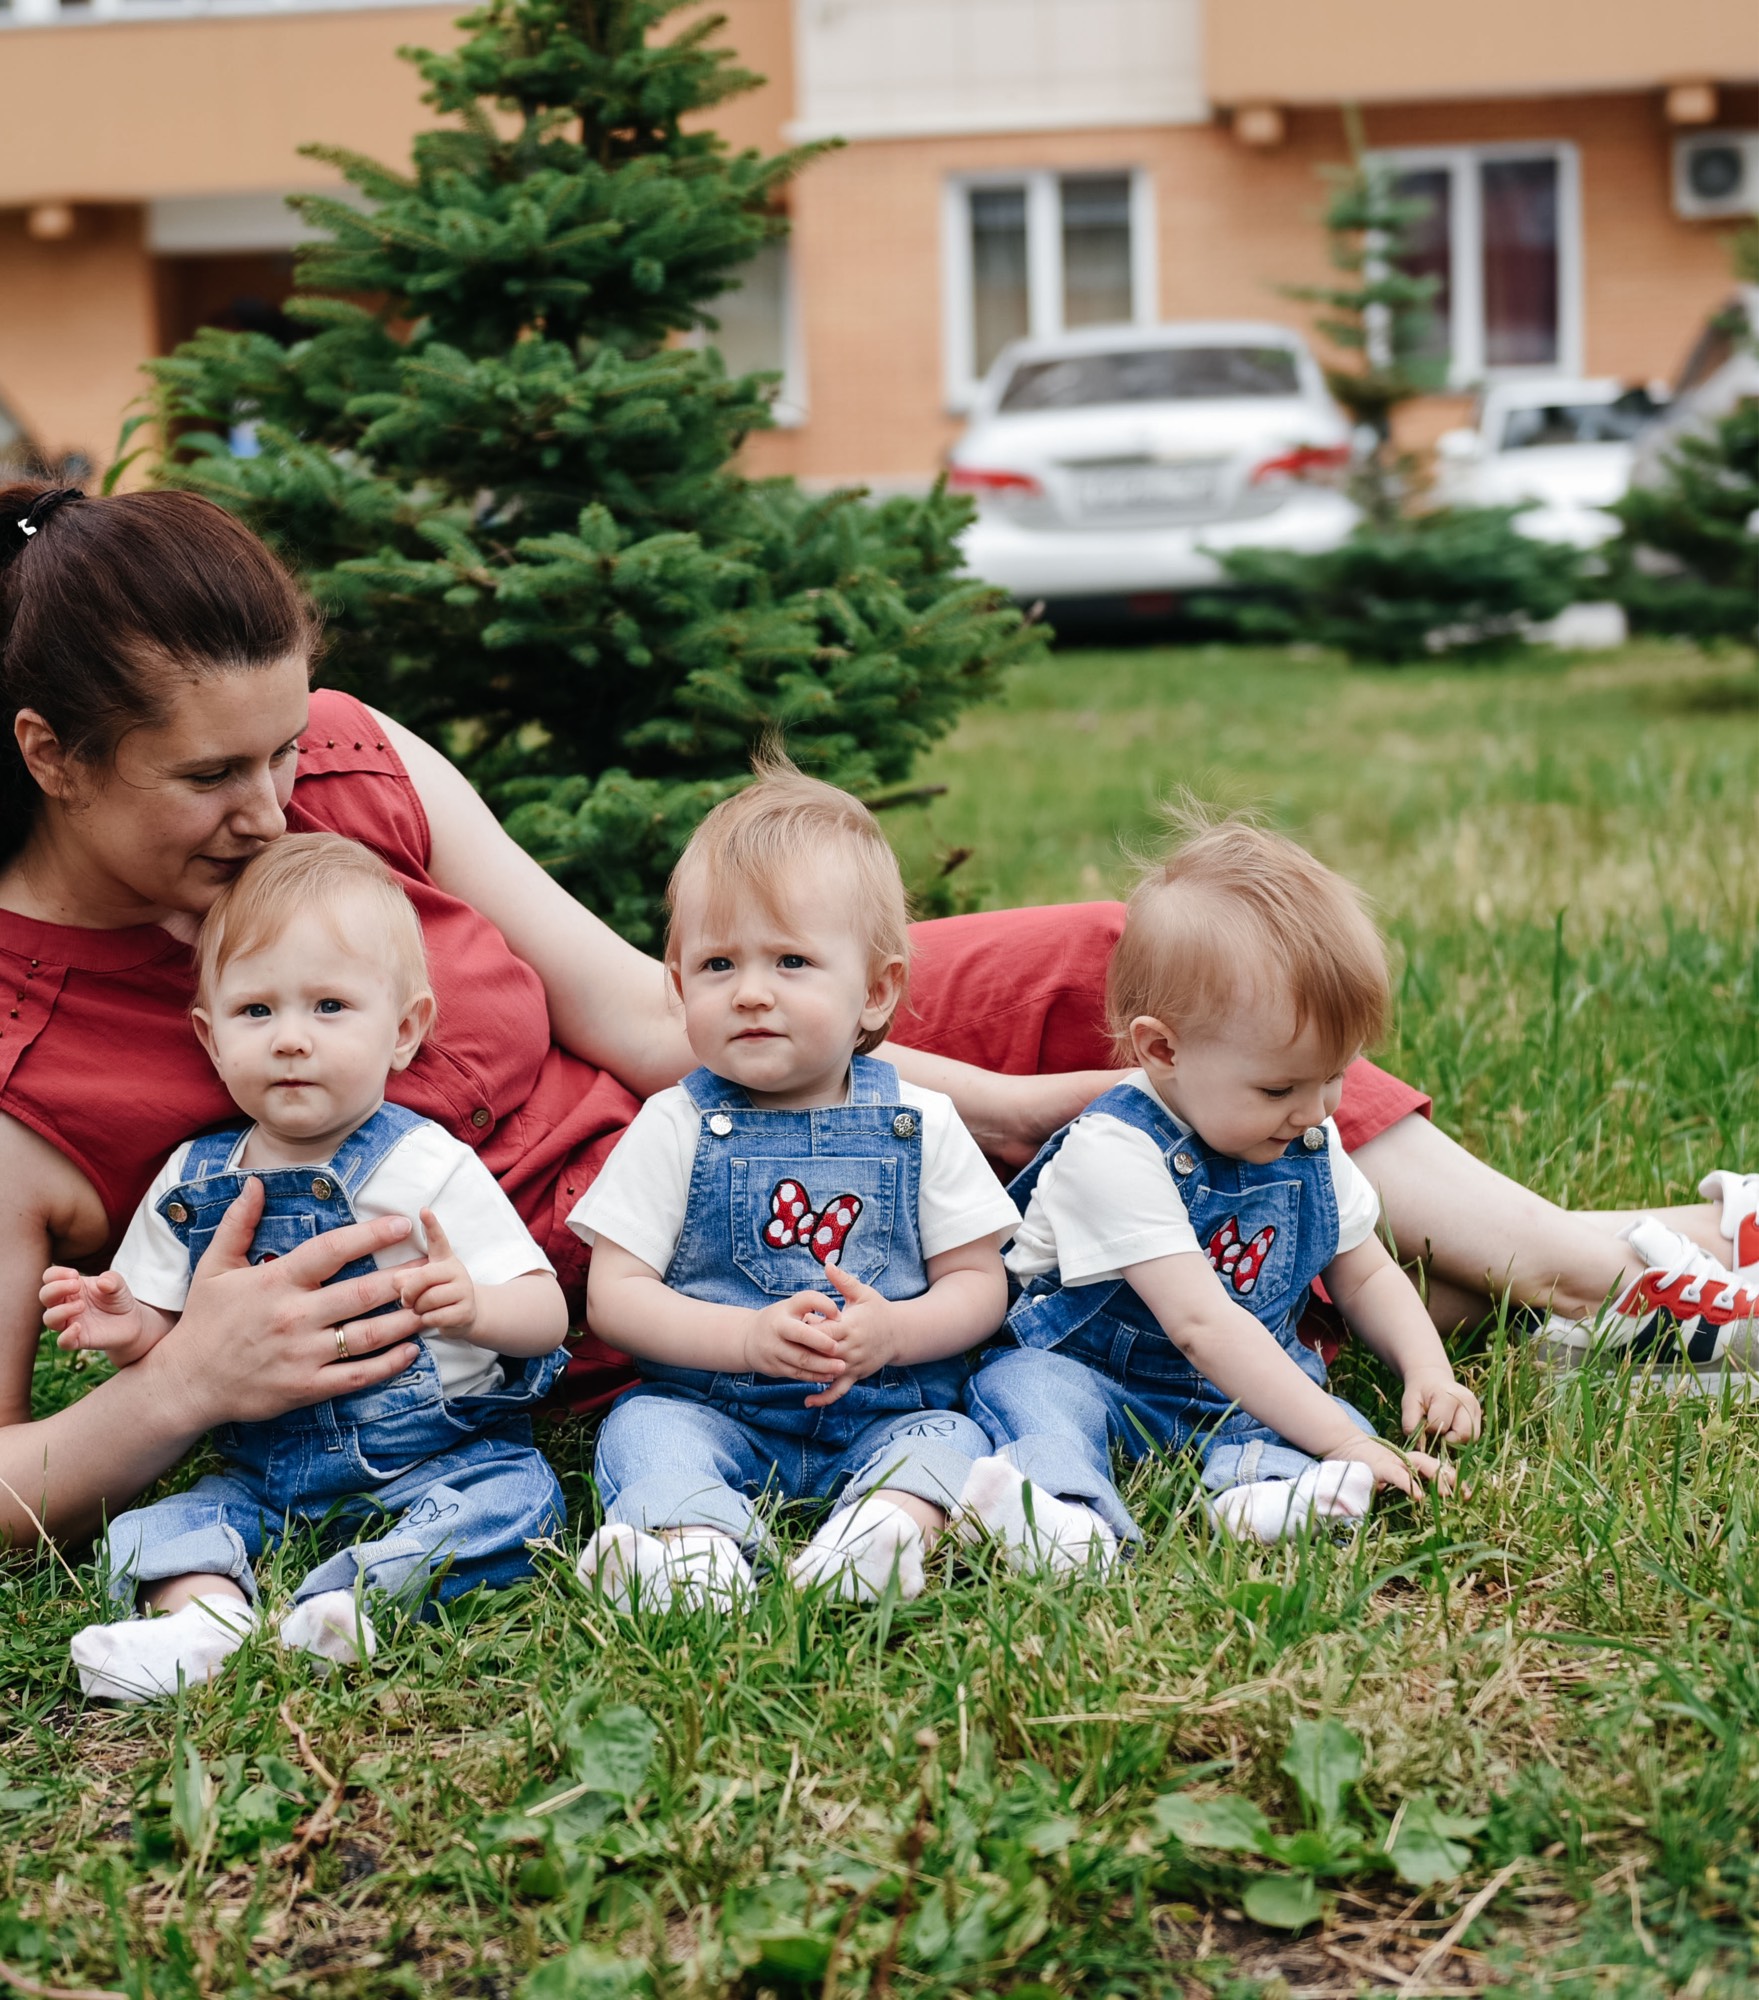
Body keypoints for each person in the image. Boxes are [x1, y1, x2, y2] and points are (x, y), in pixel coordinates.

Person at [0, 480, 1750, 1556]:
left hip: (770, 1064)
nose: (277, 803)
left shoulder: (362, 766)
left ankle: (1600, 1271)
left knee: (1120, 962)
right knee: (1317, 1276)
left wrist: (938, 1084)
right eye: (209, 775)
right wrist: (185, 1390)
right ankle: (1652, 1275)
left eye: (288, 749)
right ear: (50, 757)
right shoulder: (18, 1063)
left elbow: (624, 1003)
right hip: (676, 1267)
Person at [45, 835, 570, 1699]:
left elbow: (543, 1312)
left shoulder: (424, 1163)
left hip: (437, 1456)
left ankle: (353, 1604)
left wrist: (473, 1306)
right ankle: (201, 1622)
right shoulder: (193, 1182)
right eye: (258, 1012)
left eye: (329, 1007)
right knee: (152, 1528)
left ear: (404, 1030)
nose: (290, 1040)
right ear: (211, 1038)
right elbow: (171, 1348)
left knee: (513, 1504)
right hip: (267, 1470)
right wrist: (129, 1326)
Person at [569, 759, 1038, 1607]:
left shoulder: (922, 1122)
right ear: (676, 987)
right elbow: (617, 1297)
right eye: (717, 965)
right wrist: (744, 1343)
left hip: (887, 1405)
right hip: (716, 1408)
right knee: (642, 1431)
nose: (750, 993)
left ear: (875, 990)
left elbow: (980, 1283)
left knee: (955, 1437)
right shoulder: (674, 1124)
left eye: (790, 961)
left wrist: (894, 1332)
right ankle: (696, 1551)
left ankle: (881, 1533)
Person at [961, 815, 1487, 1556]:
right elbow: (1199, 1325)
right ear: (1162, 1048)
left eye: (1333, 1077)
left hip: (1242, 1378)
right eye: (1278, 1088)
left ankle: (1267, 1494)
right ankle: (1060, 1512)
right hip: (1096, 1376)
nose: (1315, 1111)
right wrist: (1341, 1439)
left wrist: (1425, 1367)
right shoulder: (1115, 1150)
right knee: (1029, 1394)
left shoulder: (1304, 1130)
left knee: (1286, 1403)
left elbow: (1363, 1269)